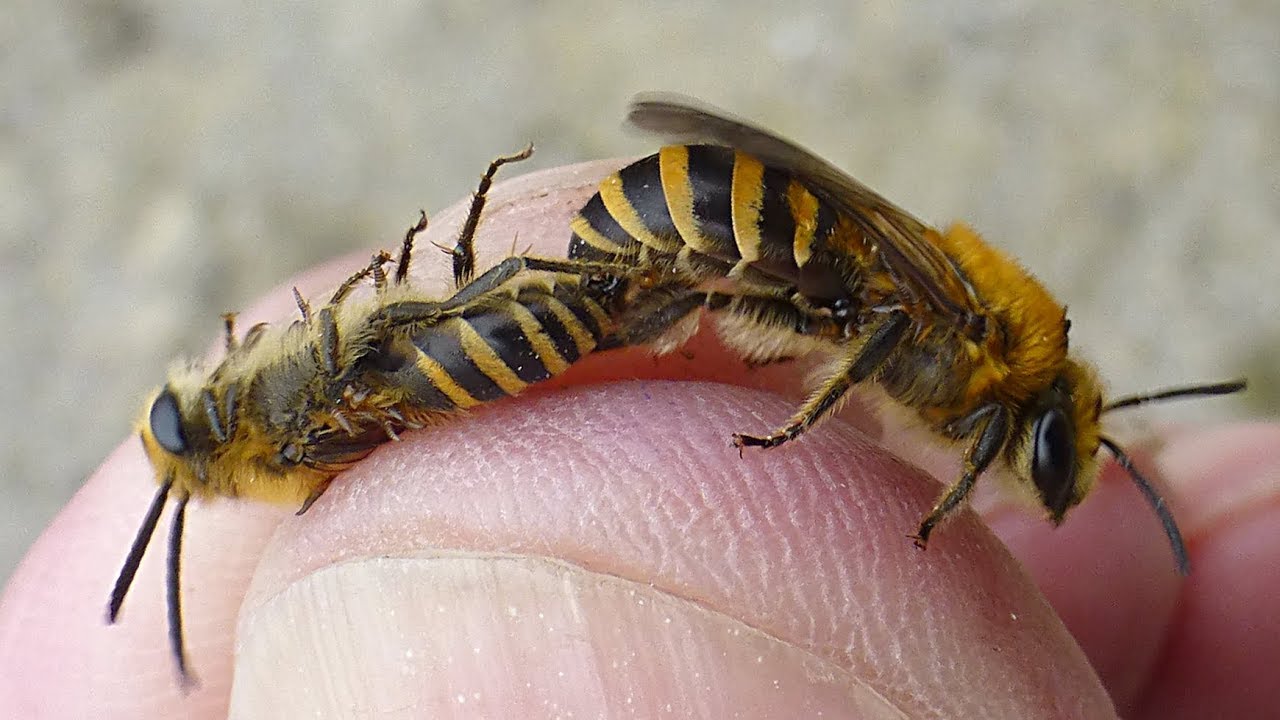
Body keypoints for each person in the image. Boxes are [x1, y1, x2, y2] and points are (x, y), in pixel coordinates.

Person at [1, 161, 1275, 718]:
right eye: (1041, 461)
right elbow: (858, 349)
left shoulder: (958, 341)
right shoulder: (955, 343)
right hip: (709, 229)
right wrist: (813, 444)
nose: (1043, 487)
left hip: (710, 245)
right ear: (1016, 405)